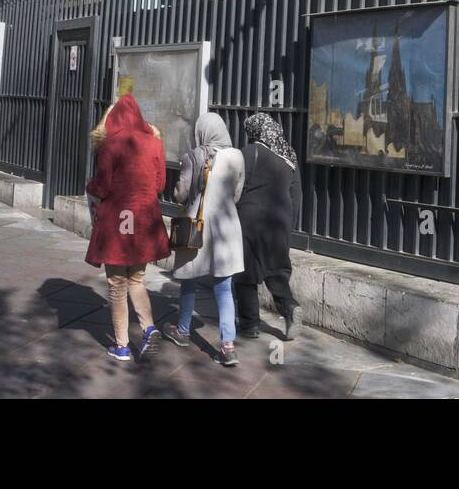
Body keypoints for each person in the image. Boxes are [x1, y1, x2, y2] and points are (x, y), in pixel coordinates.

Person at [84, 93, 171, 362]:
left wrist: (90, 187)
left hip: (117, 220)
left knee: (116, 283)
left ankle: (121, 345)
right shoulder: (155, 143)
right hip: (144, 220)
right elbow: (160, 185)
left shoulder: (111, 145)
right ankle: (149, 328)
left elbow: (103, 186)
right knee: (137, 279)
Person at [163, 112, 244, 367]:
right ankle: (228, 346)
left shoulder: (193, 156)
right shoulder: (237, 156)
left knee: (189, 280)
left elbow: (180, 194)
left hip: (196, 226)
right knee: (224, 286)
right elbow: (237, 194)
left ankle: (183, 330)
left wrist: (181, 190)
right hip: (227, 226)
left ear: (201, 132)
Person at [233, 113, 302, 340]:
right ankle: (289, 307)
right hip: (279, 221)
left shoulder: (247, 153)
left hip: (249, 218)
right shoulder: (289, 157)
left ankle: (250, 324)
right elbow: (296, 196)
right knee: (276, 270)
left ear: (254, 131)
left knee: (245, 272)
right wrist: (287, 227)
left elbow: (235, 187)